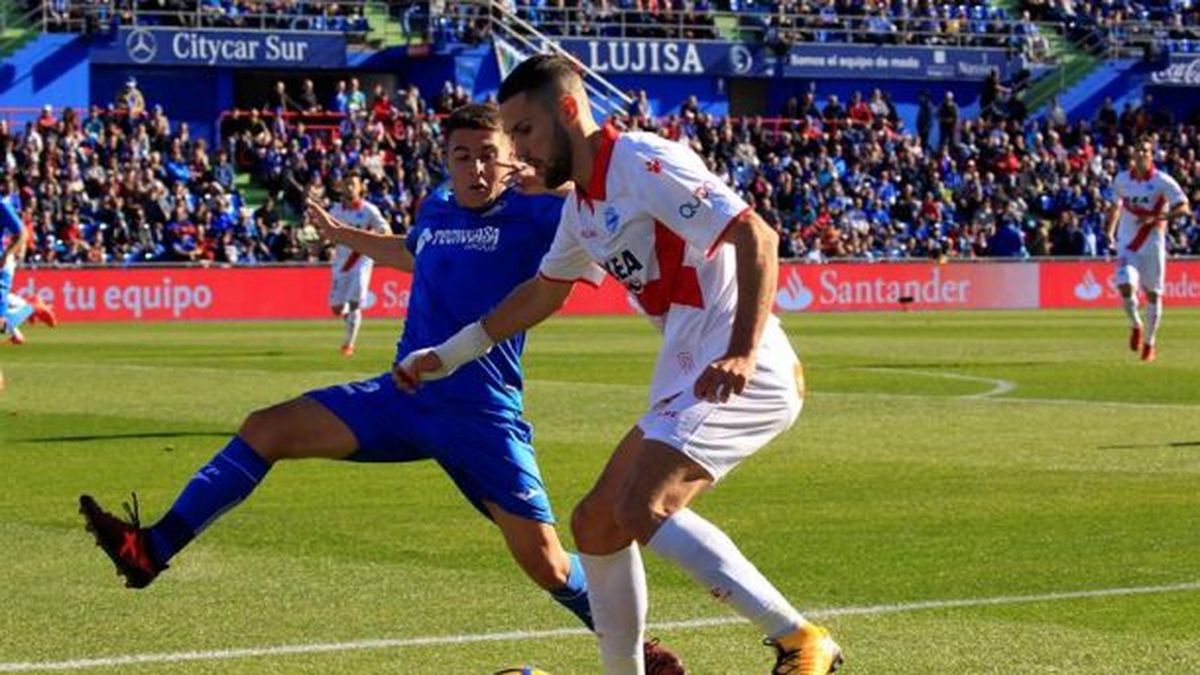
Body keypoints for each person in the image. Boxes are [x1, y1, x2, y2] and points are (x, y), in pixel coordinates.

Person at [77, 103, 683, 674]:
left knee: (547, 562)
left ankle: (638, 648)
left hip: (481, 414)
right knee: (266, 428)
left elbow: (601, 210)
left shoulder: (539, 212)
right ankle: (151, 549)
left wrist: (559, 182)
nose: (476, 168)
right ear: (446, 160)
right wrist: (343, 234)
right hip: (404, 395)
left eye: (488, 155)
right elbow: (413, 252)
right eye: (463, 156)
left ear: (510, 158)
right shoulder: (438, 208)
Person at [397, 55, 842, 675]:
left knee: (641, 508)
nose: (517, 152)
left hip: (743, 365)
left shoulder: (639, 159)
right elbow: (539, 295)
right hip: (692, 368)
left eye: (524, 131)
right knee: (596, 524)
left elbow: (757, 236)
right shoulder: (582, 210)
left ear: (568, 111)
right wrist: (447, 354)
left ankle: (798, 638)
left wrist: (741, 350)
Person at [1104, 138, 1190, 362]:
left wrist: (1159, 217)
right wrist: (1110, 232)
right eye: (1138, 150)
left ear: (1152, 155)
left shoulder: (1162, 181)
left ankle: (1150, 342)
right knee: (1125, 283)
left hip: (1152, 245)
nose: (1141, 153)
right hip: (1127, 243)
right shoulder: (1122, 179)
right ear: (1133, 154)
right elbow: (1115, 206)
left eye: (1146, 150)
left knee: (1153, 294)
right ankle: (1136, 324)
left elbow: (1184, 207)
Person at [325, 173, 389, 357]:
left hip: (361, 261)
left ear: (361, 187)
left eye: (353, 184)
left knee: (354, 303)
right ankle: (349, 318)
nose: (350, 187)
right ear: (342, 187)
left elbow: (385, 230)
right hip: (341, 263)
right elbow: (328, 232)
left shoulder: (369, 210)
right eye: (347, 184)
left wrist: (378, 235)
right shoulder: (336, 210)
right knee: (337, 308)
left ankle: (348, 345)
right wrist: (321, 244)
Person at [1, 195, 56, 345]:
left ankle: (33, 307)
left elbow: (22, 233)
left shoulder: (2, 205)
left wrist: (7, 254)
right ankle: (16, 330)